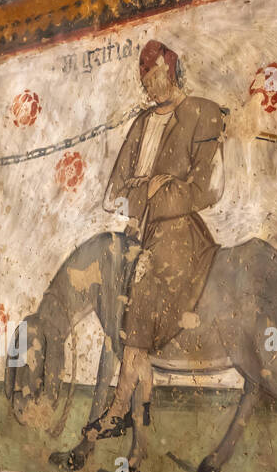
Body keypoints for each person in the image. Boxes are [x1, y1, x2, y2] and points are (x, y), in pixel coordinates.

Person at [82, 39, 226, 444]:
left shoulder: (203, 113)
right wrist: (149, 187)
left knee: (144, 288)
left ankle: (118, 408)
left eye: (154, 77)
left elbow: (209, 187)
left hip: (179, 232)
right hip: (140, 229)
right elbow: (115, 193)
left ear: (171, 69)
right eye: (144, 81)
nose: (148, 87)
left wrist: (161, 191)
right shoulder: (142, 123)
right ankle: (140, 400)